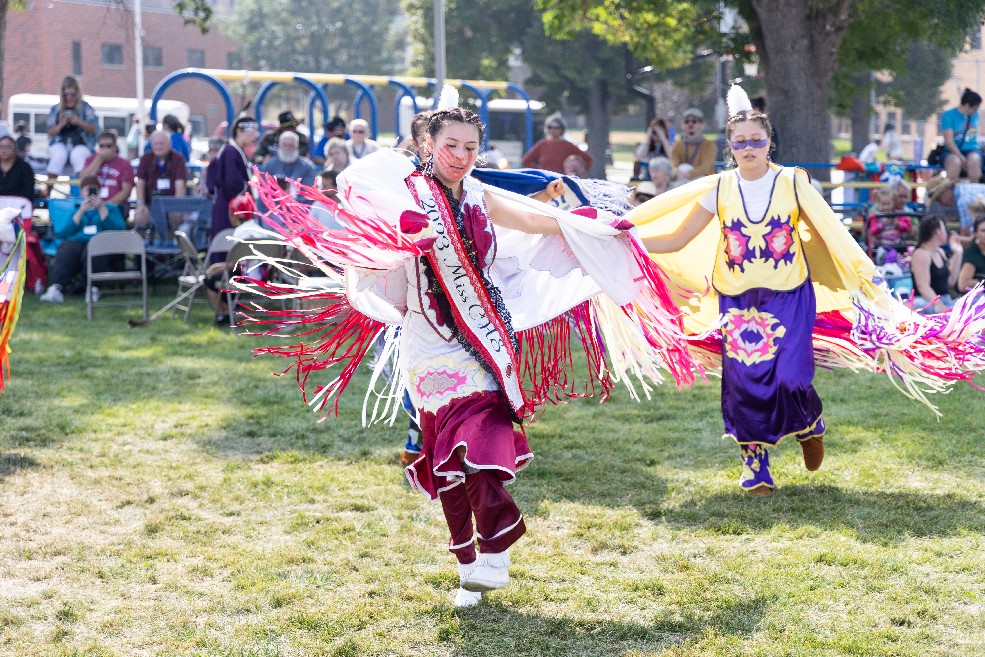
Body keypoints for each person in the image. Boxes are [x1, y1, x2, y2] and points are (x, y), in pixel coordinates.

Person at [248, 100, 696, 608]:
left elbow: (531, 219)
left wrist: (582, 225)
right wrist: (406, 228)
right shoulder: (407, 192)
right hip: (427, 345)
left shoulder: (480, 193)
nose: (460, 155)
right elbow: (366, 198)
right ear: (427, 146)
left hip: (481, 339)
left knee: (479, 439)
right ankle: (469, 571)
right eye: (450, 146)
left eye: (470, 147)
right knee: (448, 467)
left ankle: (497, 554)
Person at [631, 86, 985, 494]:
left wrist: (863, 274)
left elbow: (832, 232)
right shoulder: (719, 188)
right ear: (730, 145)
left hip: (790, 297)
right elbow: (677, 238)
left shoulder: (793, 184)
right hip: (739, 301)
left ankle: (809, 421)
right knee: (744, 382)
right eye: (740, 141)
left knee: (790, 377)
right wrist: (628, 238)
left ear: (769, 144)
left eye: (756, 141)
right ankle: (755, 466)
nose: (748, 148)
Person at [39, 175, 126, 303]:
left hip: (101, 243)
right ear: (81, 192)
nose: (89, 193)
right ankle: (56, 288)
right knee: (67, 248)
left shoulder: (110, 208)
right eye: (87, 190)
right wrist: (80, 212)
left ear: (99, 191)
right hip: (78, 243)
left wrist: (101, 209)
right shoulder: (76, 209)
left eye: (93, 190)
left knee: (94, 247)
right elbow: (64, 232)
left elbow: (118, 230)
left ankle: (92, 288)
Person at [206, 116, 258, 264]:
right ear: (240, 131)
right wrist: (247, 189)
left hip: (231, 208)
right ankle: (223, 281)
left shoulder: (233, 150)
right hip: (230, 210)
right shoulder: (230, 152)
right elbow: (231, 183)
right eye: (252, 131)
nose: (254, 135)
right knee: (227, 248)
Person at [44, 76, 99, 192]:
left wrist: (78, 122)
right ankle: (47, 192)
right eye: (66, 94)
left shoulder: (86, 108)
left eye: (72, 94)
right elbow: (49, 132)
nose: (69, 97)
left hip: (82, 143)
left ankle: (84, 192)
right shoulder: (56, 109)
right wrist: (61, 124)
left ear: (77, 93)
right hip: (60, 142)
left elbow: (95, 128)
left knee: (77, 155)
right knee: (59, 155)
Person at [134, 131, 188, 236]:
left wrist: (176, 206)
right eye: (156, 144)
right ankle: (143, 249)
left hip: (172, 203)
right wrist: (140, 204)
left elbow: (180, 186)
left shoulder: (178, 159)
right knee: (140, 216)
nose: (159, 146)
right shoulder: (146, 158)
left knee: (176, 215)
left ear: (169, 144)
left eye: (162, 143)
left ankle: (175, 248)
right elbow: (140, 182)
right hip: (150, 204)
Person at [910, 215, 962, 314]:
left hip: (944, 300)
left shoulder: (940, 252)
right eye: (944, 229)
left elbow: (950, 281)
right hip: (926, 302)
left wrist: (958, 253)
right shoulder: (921, 254)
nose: (946, 232)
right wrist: (938, 304)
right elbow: (922, 285)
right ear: (937, 231)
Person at [79, 132, 134, 220]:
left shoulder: (125, 164)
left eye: (108, 146)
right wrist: (99, 159)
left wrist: (104, 205)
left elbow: (126, 192)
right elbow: (83, 180)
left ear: (115, 147)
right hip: (90, 206)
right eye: (102, 146)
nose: (105, 149)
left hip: (115, 207)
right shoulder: (90, 160)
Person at [521, 116, 592, 174]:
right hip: (545, 181)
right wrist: (540, 171)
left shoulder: (568, 145)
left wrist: (581, 170)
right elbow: (526, 161)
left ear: (562, 129)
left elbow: (588, 159)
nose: (553, 130)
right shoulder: (542, 144)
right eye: (550, 127)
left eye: (556, 127)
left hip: (562, 181)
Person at [941, 88, 983, 183]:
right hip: (952, 151)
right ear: (967, 105)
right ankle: (951, 193)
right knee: (954, 162)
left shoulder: (975, 115)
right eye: (975, 108)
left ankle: (974, 193)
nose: (976, 111)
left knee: (974, 160)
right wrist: (961, 157)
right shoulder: (948, 115)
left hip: (972, 149)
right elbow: (949, 141)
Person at [669, 108, 716, 178]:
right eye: (686, 122)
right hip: (682, 182)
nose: (690, 125)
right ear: (682, 125)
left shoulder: (709, 146)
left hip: (705, 183)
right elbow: (674, 167)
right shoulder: (676, 147)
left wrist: (688, 174)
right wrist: (678, 172)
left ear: (702, 125)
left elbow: (705, 167)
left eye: (694, 121)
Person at [0, 136, 36, 202]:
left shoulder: (24, 168)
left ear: (14, 149)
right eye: (1, 147)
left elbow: (28, 192)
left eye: (7, 147)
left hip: (18, 205)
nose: (3, 150)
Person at [958, 216, 985, 293]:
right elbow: (962, 285)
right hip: (978, 298)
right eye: (983, 231)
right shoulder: (972, 255)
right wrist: (982, 282)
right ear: (975, 234)